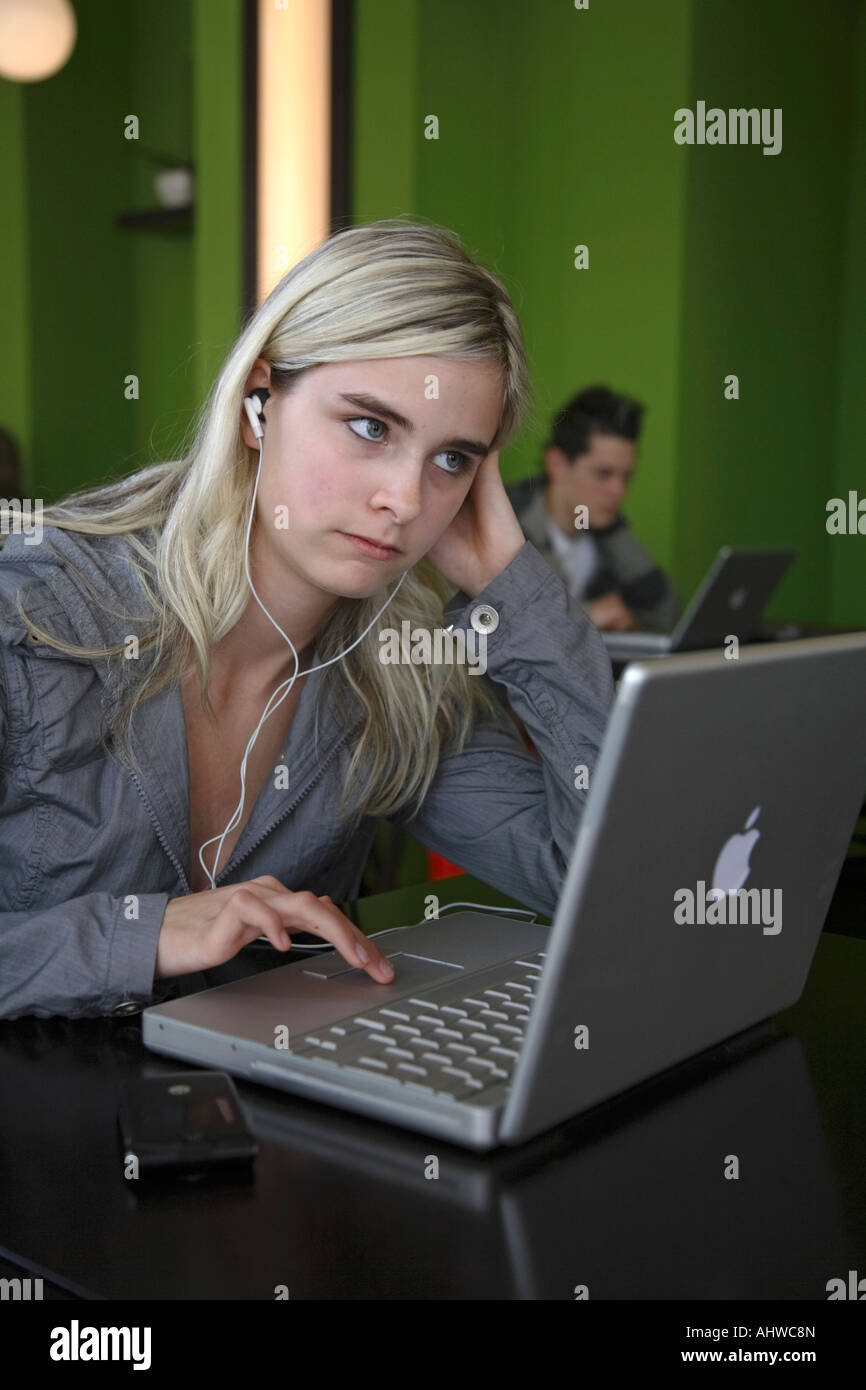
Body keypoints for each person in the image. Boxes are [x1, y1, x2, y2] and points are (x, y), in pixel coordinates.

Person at [0, 219, 614, 1020]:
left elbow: (599, 878)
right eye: (370, 427)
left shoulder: (400, 676)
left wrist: (512, 584)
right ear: (260, 401)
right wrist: (140, 935)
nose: (406, 499)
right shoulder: (35, 615)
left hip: (267, 1127)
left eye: (452, 458)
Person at [508, 386, 680, 632]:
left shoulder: (607, 530)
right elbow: (481, 626)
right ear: (556, 463)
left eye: (626, 476)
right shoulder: (504, 523)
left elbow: (667, 615)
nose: (618, 491)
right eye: (603, 474)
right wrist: (584, 616)